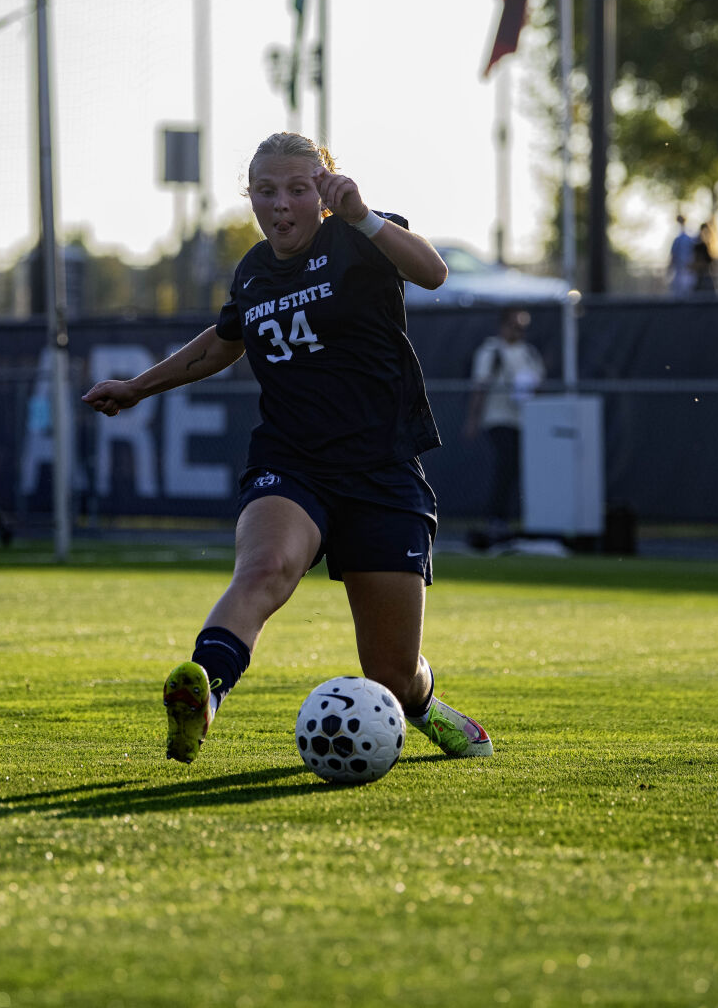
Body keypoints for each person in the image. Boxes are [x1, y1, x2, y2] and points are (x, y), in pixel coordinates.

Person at [82, 132, 493, 764]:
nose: (281, 205)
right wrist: (138, 388)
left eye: (298, 190)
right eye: (266, 192)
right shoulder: (252, 270)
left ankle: (422, 703)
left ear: (323, 194)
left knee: (390, 674)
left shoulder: (358, 235)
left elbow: (433, 272)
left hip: (382, 471)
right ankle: (205, 690)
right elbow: (223, 341)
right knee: (265, 568)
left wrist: (360, 215)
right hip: (291, 462)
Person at [463, 307, 544, 544]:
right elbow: (480, 386)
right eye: (515, 326)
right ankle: (496, 517)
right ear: (504, 325)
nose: (519, 332)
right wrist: (472, 420)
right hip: (498, 418)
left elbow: (540, 382)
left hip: (524, 421)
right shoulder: (491, 351)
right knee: (505, 463)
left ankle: (513, 517)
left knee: (518, 467)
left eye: (523, 328)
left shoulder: (529, 352)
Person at [667, 214, 696, 295]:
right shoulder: (678, 239)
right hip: (679, 272)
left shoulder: (689, 237)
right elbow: (673, 255)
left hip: (688, 271)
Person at [691, 219, 718, 295]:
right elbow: (696, 263)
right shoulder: (698, 246)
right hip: (699, 278)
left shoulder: (709, 246)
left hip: (706, 277)